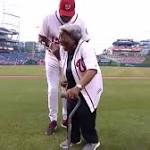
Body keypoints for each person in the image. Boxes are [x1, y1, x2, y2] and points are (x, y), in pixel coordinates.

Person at [38, 0, 89, 135]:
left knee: (68, 87)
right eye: (64, 14)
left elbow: (86, 41)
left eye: (69, 14)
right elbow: (41, 37)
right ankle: (53, 120)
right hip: (52, 57)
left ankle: (66, 118)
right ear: (59, 9)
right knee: (53, 88)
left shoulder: (79, 22)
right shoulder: (49, 19)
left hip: (69, 59)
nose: (66, 17)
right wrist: (50, 45)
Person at [59, 24, 103, 150]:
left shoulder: (85, 47)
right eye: (61, 39)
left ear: (74, 38)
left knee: (85, 114)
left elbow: (92, 69)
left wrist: (78, 87)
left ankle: (92, 141)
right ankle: (74, 138)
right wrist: (64, 79)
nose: (62, 43)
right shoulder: (65, 49)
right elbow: (66, 67)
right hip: (73, 85)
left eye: (65, 40)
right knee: (71, 113)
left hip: (89, 86)